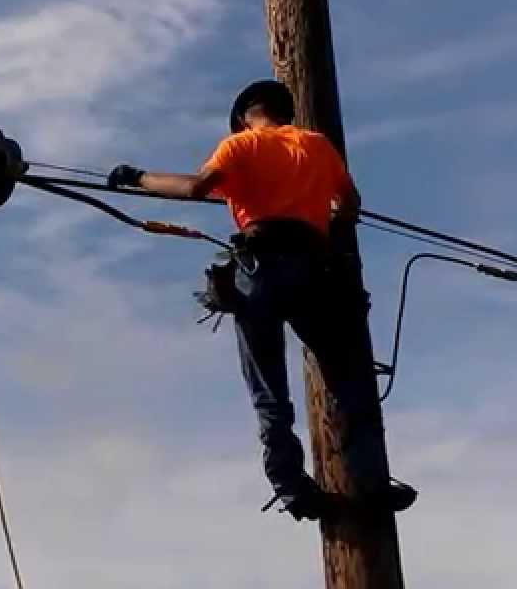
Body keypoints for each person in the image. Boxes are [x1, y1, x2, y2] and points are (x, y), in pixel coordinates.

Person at [107, 79, 415, 523]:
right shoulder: (316, 145)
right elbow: (349, 205)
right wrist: (319, 216)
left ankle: (294, 488)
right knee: (349, 381)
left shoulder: (240, 146)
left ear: (243, 116)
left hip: (262, 269)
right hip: (315, 269)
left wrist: (136, 178)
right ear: (284, 111)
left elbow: (196, 188)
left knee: (270, 391)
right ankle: (370, 480)